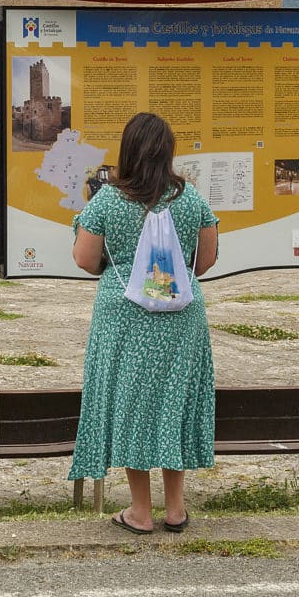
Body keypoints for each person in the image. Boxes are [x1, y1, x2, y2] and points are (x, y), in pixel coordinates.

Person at [67, 112, 220, 534]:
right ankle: (176, 508)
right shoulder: (191, 199)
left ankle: (139, 510)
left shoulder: (107, 201)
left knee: (132, 403)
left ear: (128, 150)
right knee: (173, 402)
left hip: (124, 318)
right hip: (181, 319)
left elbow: (84, 259)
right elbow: (203, 262)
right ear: (168, 151)